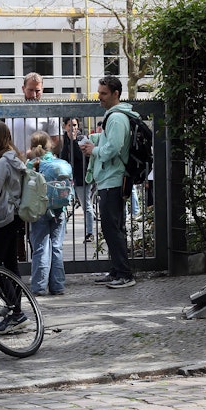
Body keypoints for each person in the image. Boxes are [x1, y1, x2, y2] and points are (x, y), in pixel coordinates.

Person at [81, 76, 136, 289]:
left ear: (115, 94)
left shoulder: (116, 118)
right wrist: (94, 141)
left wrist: (93, 150)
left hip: (112, 179)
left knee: (112, 228)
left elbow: (114, 148)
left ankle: (124, 274)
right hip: (111, 178)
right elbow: (111, 143)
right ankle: (117, 271)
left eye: (103, 93)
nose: (99, 97)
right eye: (99, 92)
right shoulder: (115, 116)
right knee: (114, 227)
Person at [0, 121, 28, 332]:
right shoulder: (15, 157)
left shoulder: (3, 162)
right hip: (16, 215)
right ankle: (15, 312)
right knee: (11, 264)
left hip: (6, 216)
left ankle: (16, 311)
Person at [28, 131, 70, 296]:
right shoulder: (60, 163)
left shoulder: (31, 165)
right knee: (57, 247)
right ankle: (58, 286)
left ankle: (39, 287)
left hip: (39, 210)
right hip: (60, 209)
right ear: (50, 146)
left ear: (32, 147)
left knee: (40, 247)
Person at [10, 72, 61, 158]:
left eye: (37, 91)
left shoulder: (50, 113)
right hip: (15, 163)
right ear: (23, 89)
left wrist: (37, 154)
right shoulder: (12, 112)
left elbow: (56, 143)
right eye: (30, 90)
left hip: (40, 165)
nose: (34, 95)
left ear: (42, 90)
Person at [62, 117, 95, 243]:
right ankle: (62, 230)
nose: (73, 128)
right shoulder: (63, 139)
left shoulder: (82, 139)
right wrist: (68, 142)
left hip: (81, 177)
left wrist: (74, 141)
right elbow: (63, 156)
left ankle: (89, 232)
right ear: (65, 126)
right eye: (70, 125)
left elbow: (81, 158)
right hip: (67, 178)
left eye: (75, 125)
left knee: (86, 204)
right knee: (63, 205)